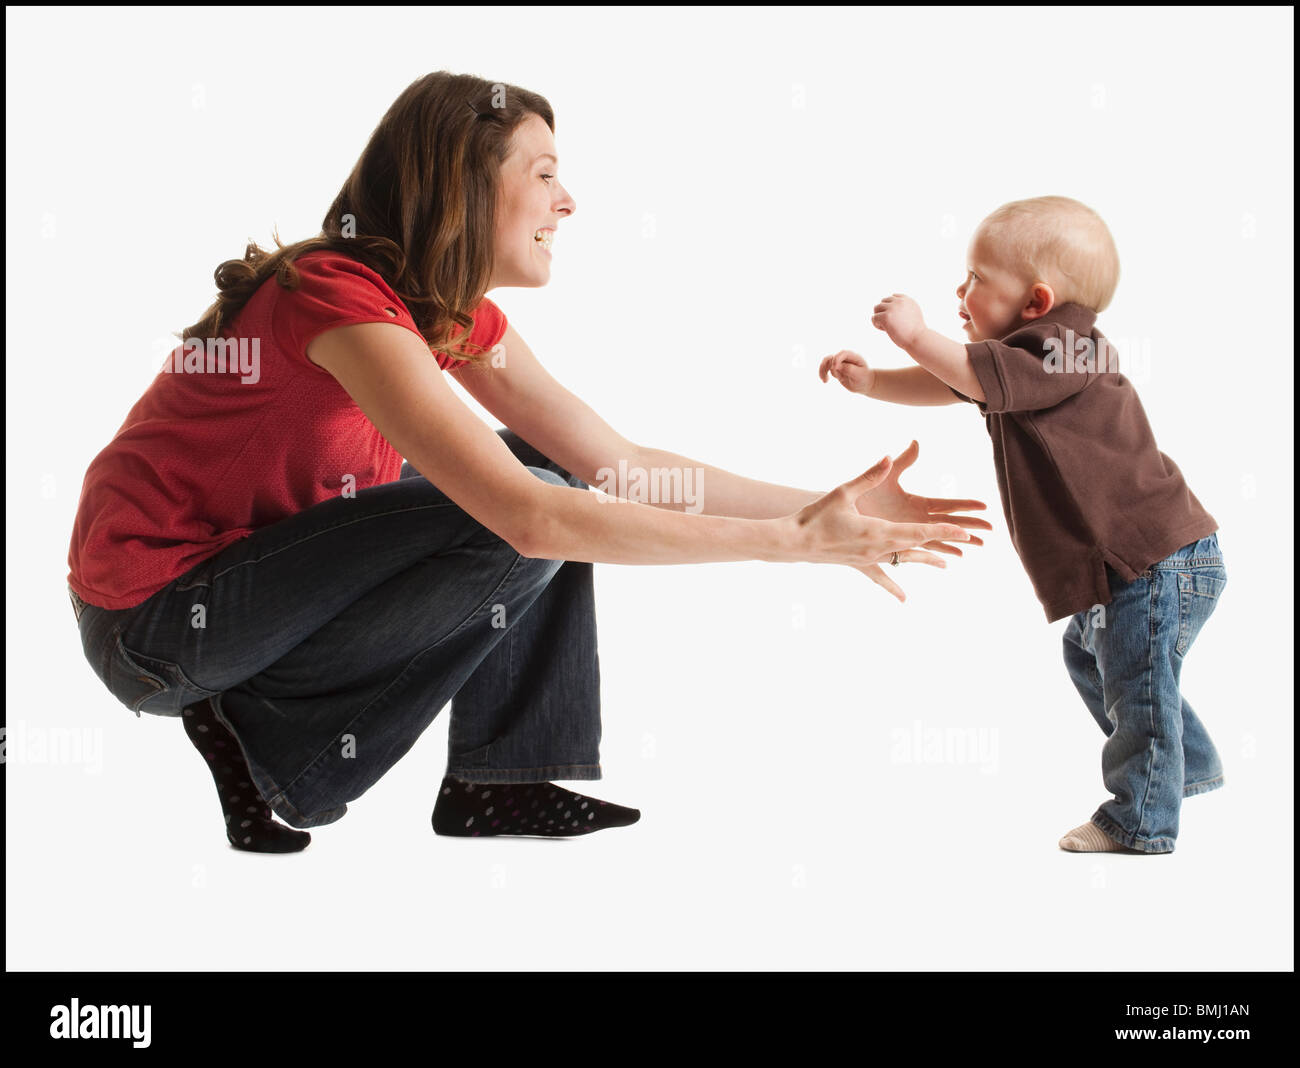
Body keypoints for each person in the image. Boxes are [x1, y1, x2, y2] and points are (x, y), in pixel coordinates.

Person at [66, 71, 988, 853]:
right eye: (544, 173)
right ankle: (261, 735)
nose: (568, 201)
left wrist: (829, 510)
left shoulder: (448, 314)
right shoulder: (336, 298)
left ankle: (496, 780)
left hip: (266, 596)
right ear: (462, 188)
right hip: (157, 628)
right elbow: (531, 519)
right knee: (524, 503)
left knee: (540, 470)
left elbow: (618, 464)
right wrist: (787, 546)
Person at [819, 195, 1225, 855]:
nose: (960, 289)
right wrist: (873, 382)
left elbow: (969, 376)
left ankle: (1140, 817)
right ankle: (1188, 766)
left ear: (1037, 302)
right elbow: (956, 384)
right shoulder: (1019, 363)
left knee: (1134, 678)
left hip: (1154, 560)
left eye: (977, 278)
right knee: (1096, 658)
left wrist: (916, 333)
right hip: (1149, 561)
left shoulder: (1066, 350)